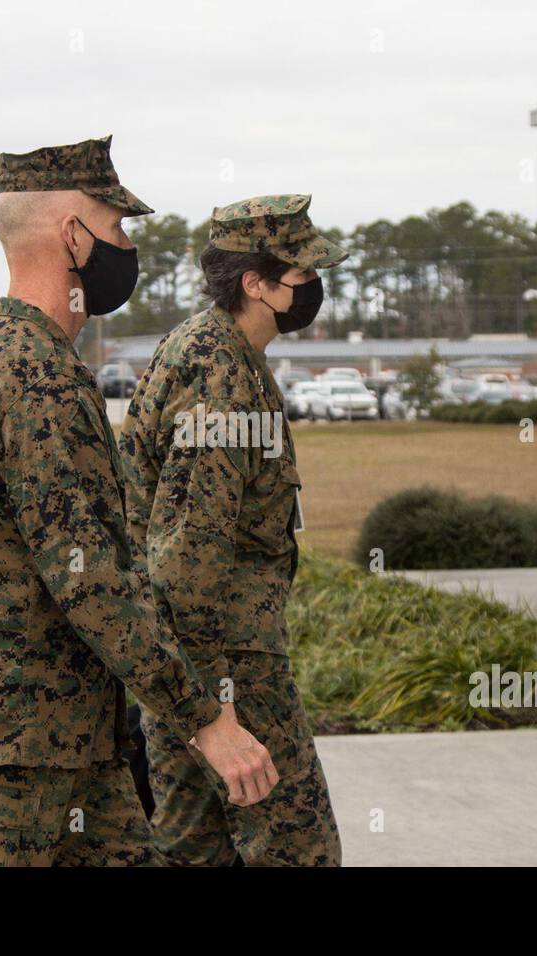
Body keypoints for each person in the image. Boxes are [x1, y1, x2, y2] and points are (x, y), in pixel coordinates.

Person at [0, 138, 277, 867]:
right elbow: (92, 579)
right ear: (73, 235)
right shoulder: (36, 377)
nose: (128, 246)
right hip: (17, 768)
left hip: (59, 749)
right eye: (118, 228)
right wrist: (204, 718)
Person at [118, 194, 344, 866]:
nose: (313, 286)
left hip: (195, 670)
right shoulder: (217, 374)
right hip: (227, 675)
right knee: (299, 848)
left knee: (195, 849)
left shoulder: (228, 354)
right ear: (257, 284)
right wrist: (211, 713)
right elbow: (187, 553)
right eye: (302, 273)